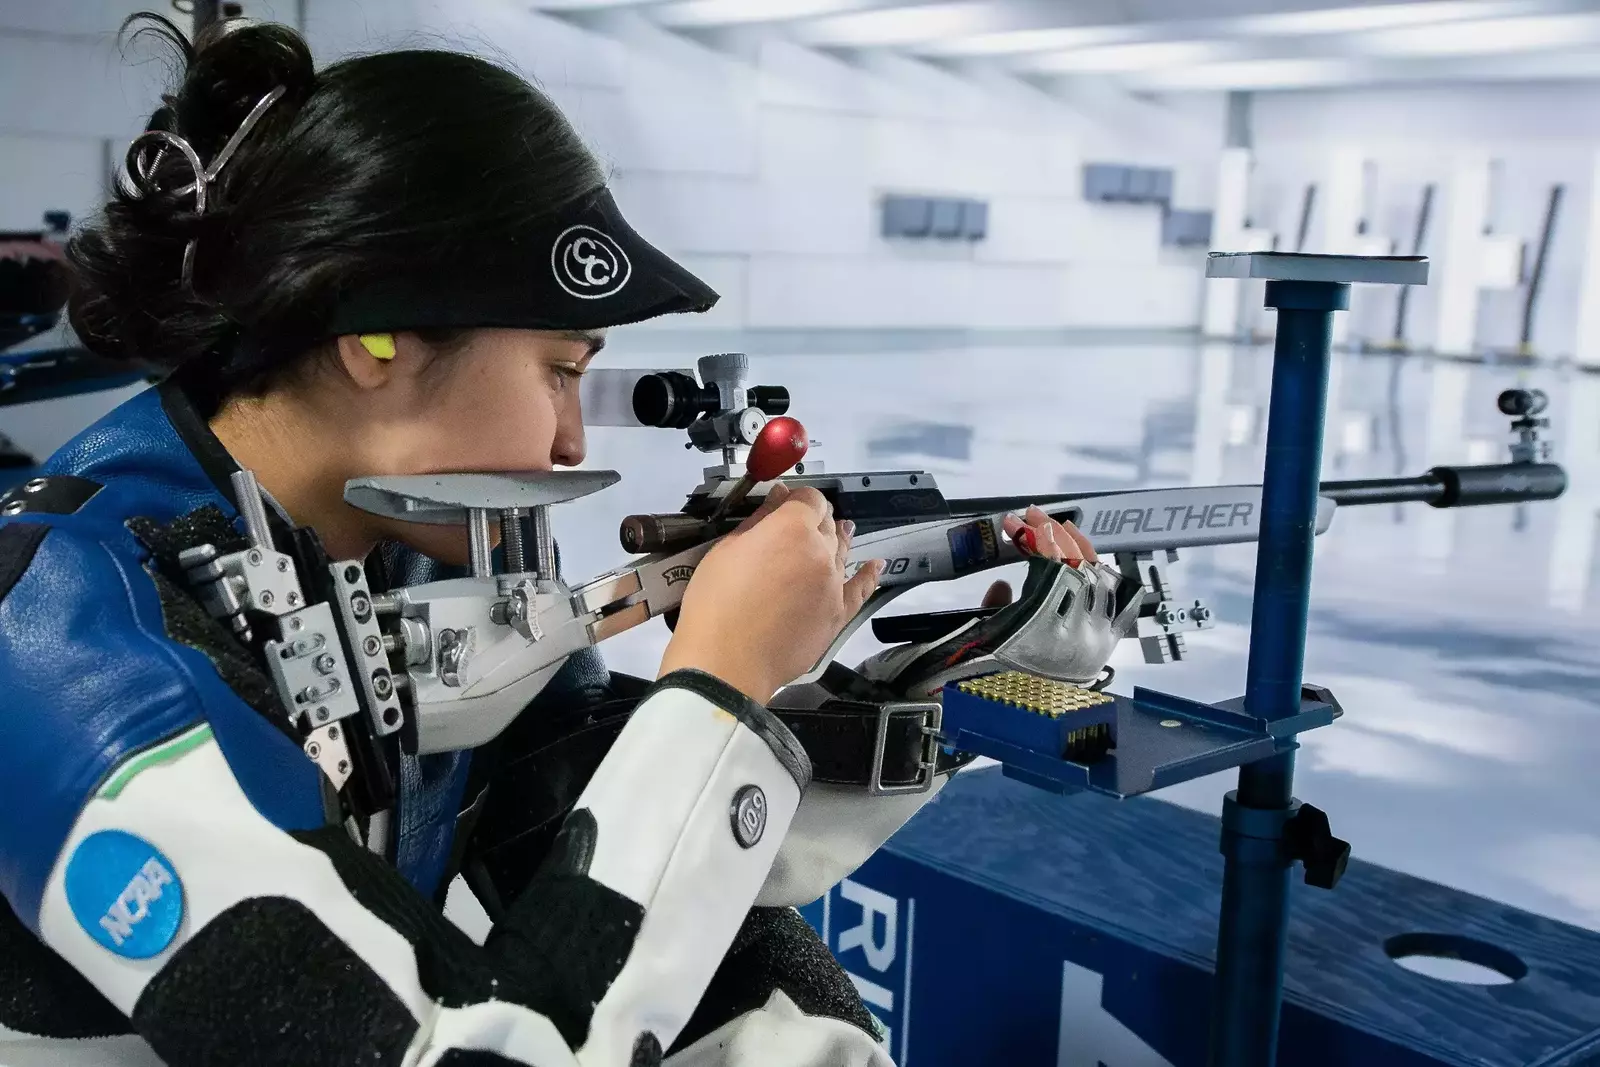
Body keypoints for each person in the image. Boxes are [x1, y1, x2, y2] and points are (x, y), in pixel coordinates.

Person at [0, 14, 1100, 1067]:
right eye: (560, 372)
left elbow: (589, 833)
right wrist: (717, 679)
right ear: (372, 336)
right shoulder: (66, 634)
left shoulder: (439, 535)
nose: (571, 442)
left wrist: (942, 669)